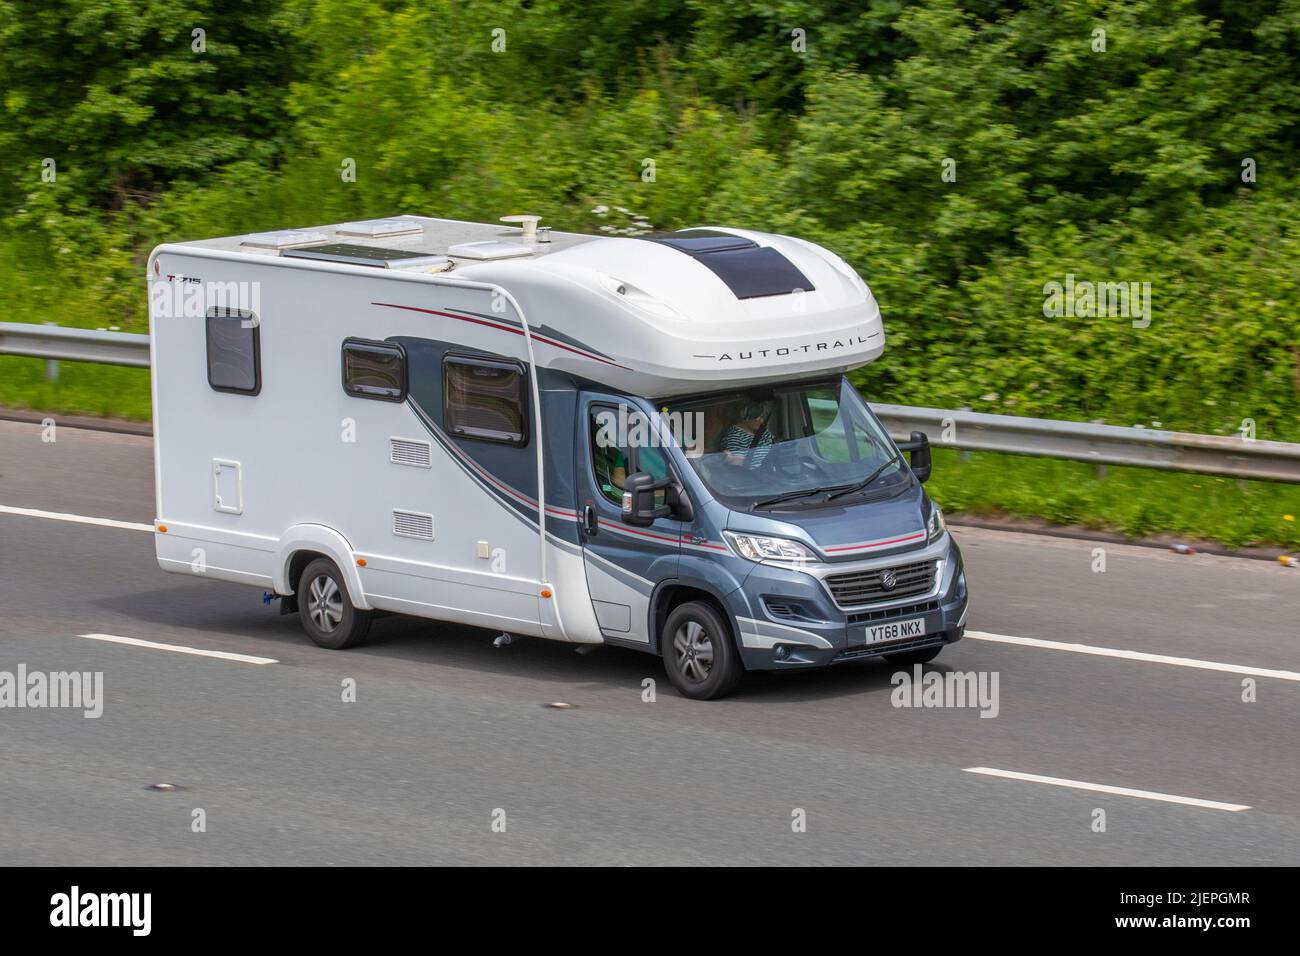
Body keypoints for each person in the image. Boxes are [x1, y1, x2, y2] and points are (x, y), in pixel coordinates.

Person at [720, 402, 775, 468]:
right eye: (758, 418)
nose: (762, 421)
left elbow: (774, 445)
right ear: (743, 416)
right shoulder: (735, 438)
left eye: (762, 417)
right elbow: (739, 468)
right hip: (755, 475)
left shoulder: (762, 430)